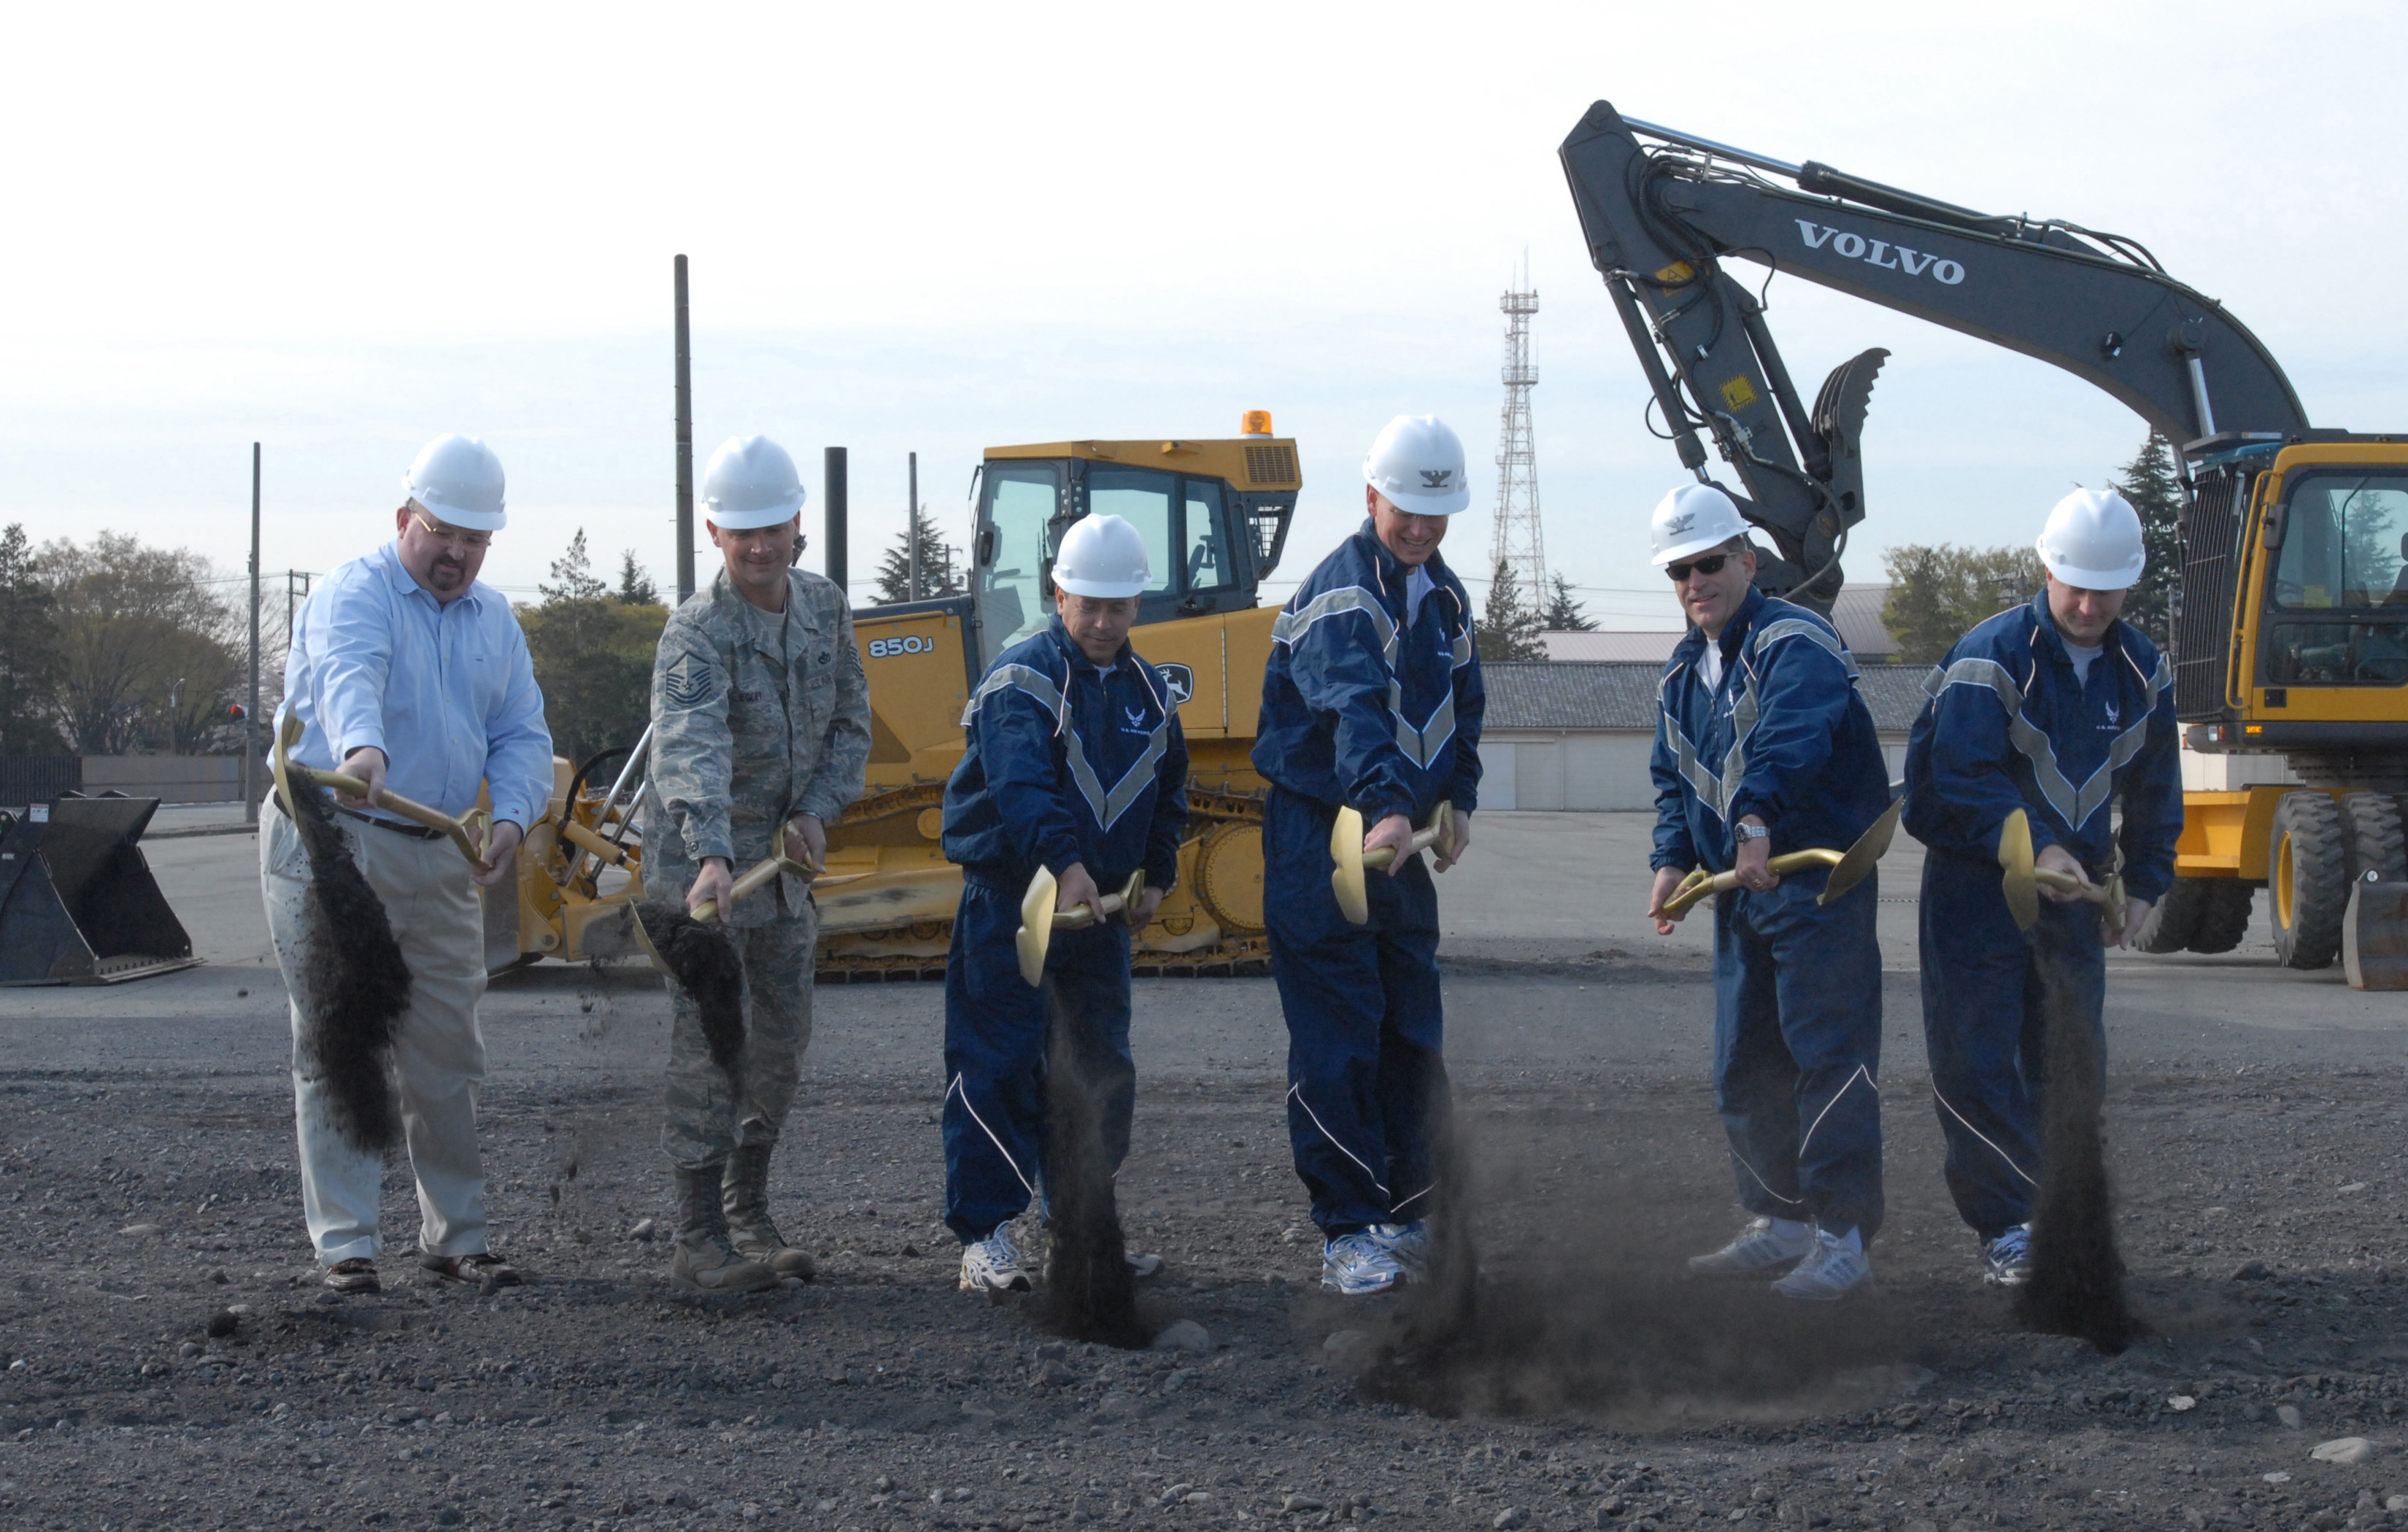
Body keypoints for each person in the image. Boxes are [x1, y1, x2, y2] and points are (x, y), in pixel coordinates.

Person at [263, 433, 552, 1293]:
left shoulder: (495, 623)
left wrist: (509, 816)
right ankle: (348, 1247)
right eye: (442, 532)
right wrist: (363, 753)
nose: (457, 553)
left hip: (440, 856)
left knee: (445, 1053)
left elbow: (521, 734)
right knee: (338, 1039)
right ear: (405, 520)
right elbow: (349, 674)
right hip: (332, 844)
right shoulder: (355, 595)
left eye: (475, 539)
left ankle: (457, 1238)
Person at [1903, 487, 2179, 1285]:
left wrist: (2148, 885)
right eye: (2075, 586)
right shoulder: (1991, 656)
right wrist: (2036, 848)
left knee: (2069, 1063)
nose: (2090, 605)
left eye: (2107, 588)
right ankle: (2006, 1227)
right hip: (1975, 892)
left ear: (2131, 582)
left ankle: (2060, 1216)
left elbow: (2159, 792)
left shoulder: (2145, 671)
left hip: (2074, 897)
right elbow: (1958, 775)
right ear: (2047, 569)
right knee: (1976, 1060)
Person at [1644, 482, 1893, 1302]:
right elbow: (1672, 780)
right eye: (1679, 571)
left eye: (1709, 563)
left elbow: (1793, 735)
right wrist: (1673, 859)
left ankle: (1843, 1237)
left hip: (1815, 886)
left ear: (1747, 560)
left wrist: (1755, 818)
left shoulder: (1798, 642)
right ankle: (1780, 1221)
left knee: (1826, 1059)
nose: (1694, 584)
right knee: (1743, 1065)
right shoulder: (1682, 674)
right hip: (1737, 891)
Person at [1254, 414, 1483, 1296]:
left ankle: (1416, 1214)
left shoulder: (1445, 595)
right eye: (1407, 510)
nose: (1421, 528)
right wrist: (1390, 807)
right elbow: (1354, 708)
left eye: (1437, 512)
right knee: (1338, 1037)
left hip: (1396, 842)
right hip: (1325, 837)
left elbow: (1466, 700)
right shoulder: (1345, 596)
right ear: (1371, 497)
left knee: (1411, 1029)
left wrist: (1455, 795)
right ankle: (1350, 1229)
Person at [938, 513, 1188, 1294]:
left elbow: (1171, 790)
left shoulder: (1153, 692)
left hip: (1101, 919)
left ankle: (1078, 1226)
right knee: (998, 1063)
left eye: (1119, 607)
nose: (1104, 622)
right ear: (1058, 593)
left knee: (1099, 1071)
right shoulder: (1021, 680)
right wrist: (1066, 864)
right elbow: (1021, 787)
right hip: (1015, 908)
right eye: (1089, 604)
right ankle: (985, 1236)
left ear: (1139, 605)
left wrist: (1156, 872)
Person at [645, 435, 871, 1292]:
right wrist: (709, 852)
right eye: (742, 533)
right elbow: (689, 746)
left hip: (784, 876)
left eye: (772, 528)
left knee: (780, 1043)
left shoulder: (826, 608)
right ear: (714, 532)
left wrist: (817, 810)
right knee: (709, 1045)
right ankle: (699, 1237)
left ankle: (749, 1211)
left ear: (796, 522)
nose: (759, 547)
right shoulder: (695, 633)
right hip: (705, 881)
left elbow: (852, 722)